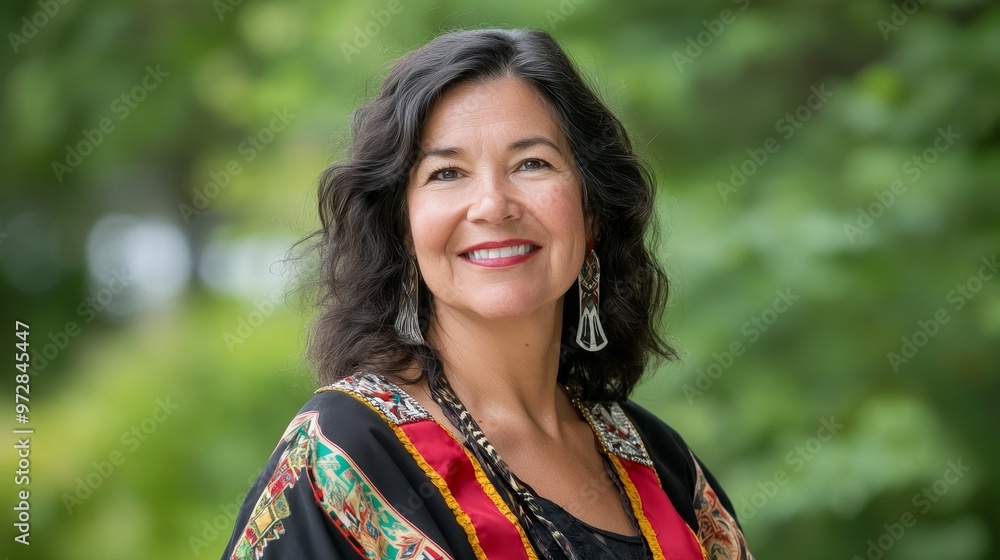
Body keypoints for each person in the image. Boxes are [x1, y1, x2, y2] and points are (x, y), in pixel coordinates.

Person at [221, 28, 754, 560]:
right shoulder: (342, 459)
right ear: (403, 230)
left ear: (592, 212)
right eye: (447, 173)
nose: (493, 206)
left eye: (532, 164)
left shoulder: (661, 465)